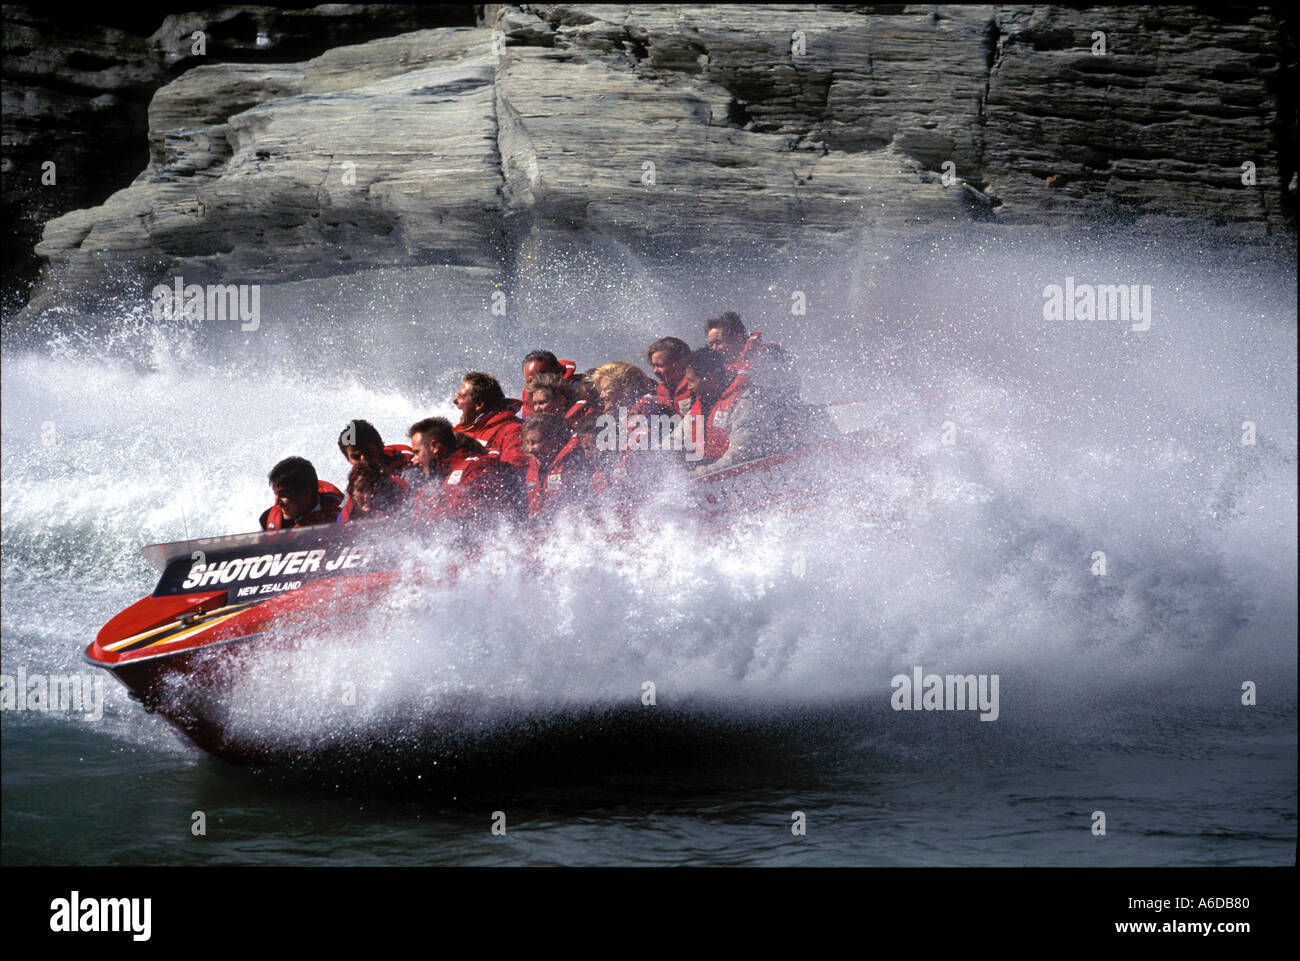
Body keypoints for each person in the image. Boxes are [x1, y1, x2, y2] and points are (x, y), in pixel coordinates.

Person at [408, 416, 524, 524]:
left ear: (434, 446)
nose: (414, 461)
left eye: (417, 452)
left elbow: (478, 515)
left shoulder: (479, 467)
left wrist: (431, 519)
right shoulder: (436, 480)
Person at [521, 413, 595, 517]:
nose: (530, 449)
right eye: (527, 443)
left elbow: (589, 498)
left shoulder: (575, 460)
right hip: (542, 527)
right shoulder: (532, 466)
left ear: (553, 440)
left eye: (534, 443)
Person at [452, 371, 527, 469]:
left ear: (479, 405)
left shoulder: (513, 431)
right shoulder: (461, 430)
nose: (454, 400)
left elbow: (515, 472)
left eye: (461, 396)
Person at [259, 456, 345, 530]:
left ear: (306, 492)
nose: (277, 502)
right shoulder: (267, 520)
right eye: (276, 494)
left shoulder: (339, 515)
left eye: (283, 495)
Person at [337, 419, 413, 478]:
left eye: (368, 453)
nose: (363, 459)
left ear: (380, 447)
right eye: (356, 457)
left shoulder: (403, 457)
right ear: (348, 459)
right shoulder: (356, 481)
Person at [338, 462, 409, 522]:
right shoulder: (346, 516)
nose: (367, 495)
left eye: (373, 489)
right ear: (352, 493)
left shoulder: (394, 509)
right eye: (361, 490)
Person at [519, 350, 577, 418]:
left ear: (558, 373)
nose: (536, 384)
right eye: (530, 382)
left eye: (542, 378)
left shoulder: (579, 391)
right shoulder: (528, 402)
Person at [646, 336, 693, 417]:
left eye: (660, 365)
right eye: (653, 366)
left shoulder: (696, 389)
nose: (655, 371)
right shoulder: (658, 391)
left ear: (679, 363)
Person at [524, 372, 588, 422]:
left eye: (542, 403)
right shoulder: (533, 426)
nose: (536, 409)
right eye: (535, 403)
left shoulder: (582, 418)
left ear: (560, 400)